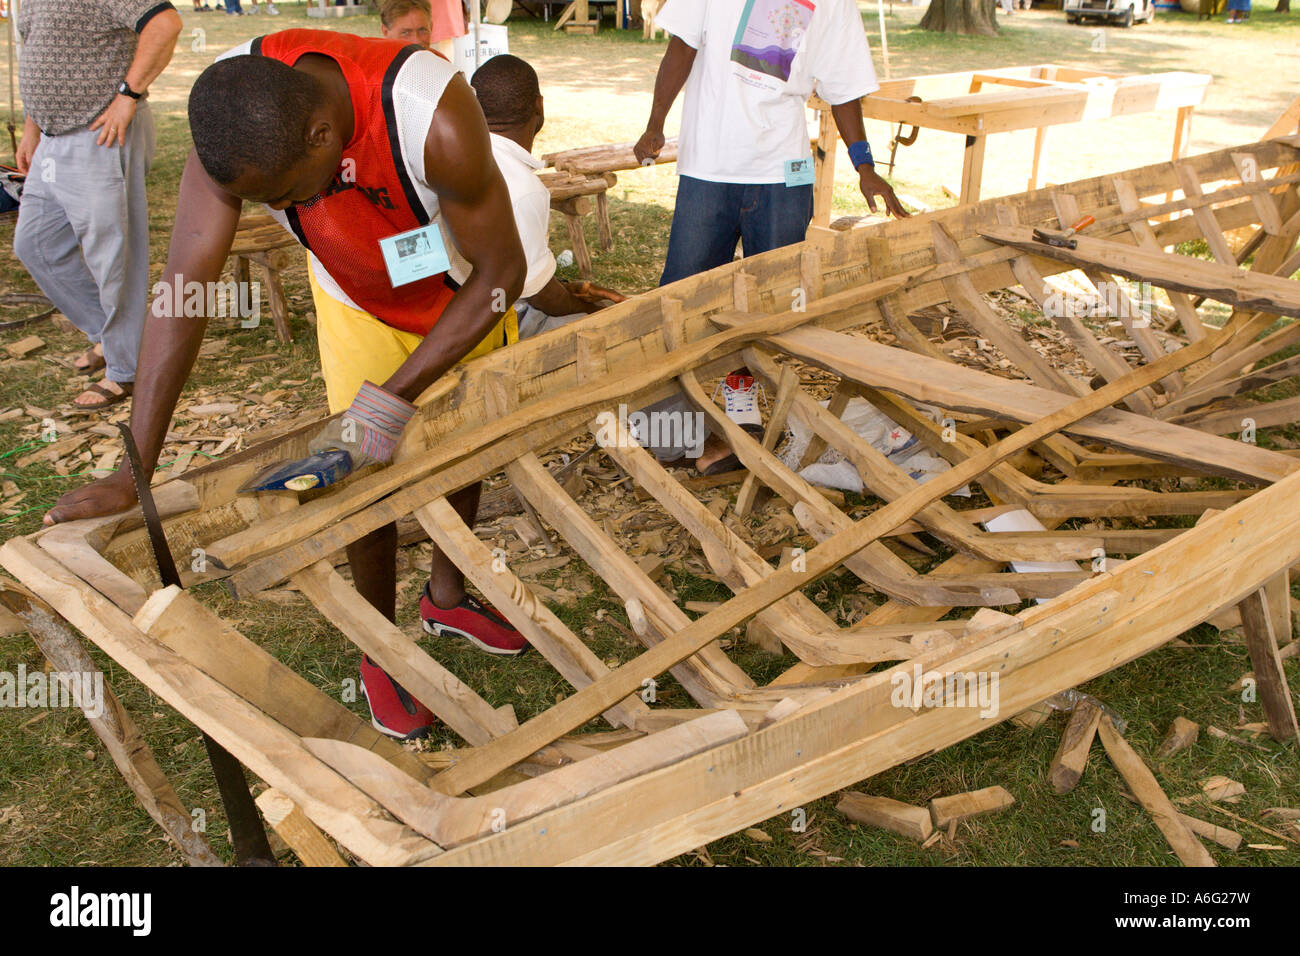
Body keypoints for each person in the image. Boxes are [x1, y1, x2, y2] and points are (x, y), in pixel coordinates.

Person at [45, 29, 530, 741]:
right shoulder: (234, 118)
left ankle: (447, 594)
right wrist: (136, 466)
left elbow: (502, 274)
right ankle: (379, 650)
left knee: (462, 446)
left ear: (322, 132)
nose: (289, 210)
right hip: (358, 294)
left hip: (462, 293)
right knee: (362, 478)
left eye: (291, 193)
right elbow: (183, 289)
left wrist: (396, 395)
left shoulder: (433, 114)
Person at [632, 0, 908, 470]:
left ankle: (742, 403)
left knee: (768, 301)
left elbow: (843, 88)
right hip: (709, 166)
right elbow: (680, 48)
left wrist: (865, 166)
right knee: (682, 293)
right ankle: (670, 425)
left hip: (785, 171)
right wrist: (655, 123)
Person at [13, 0, 183, 409]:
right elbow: (37, 53)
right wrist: (31, 129)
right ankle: (110, 337)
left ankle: (126, 368)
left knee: (113, 259)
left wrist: (128, 95)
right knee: (35, 244)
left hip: (101, 133)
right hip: (52, 138)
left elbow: (165, 24)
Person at [458, 53, 623, 339]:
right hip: (491, 326)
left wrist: (566, 288)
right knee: (617, 328)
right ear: (539, 105)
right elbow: (542, 298)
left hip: (459, 309)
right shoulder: (524, 189)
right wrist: (596, 313)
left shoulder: (459, 155)